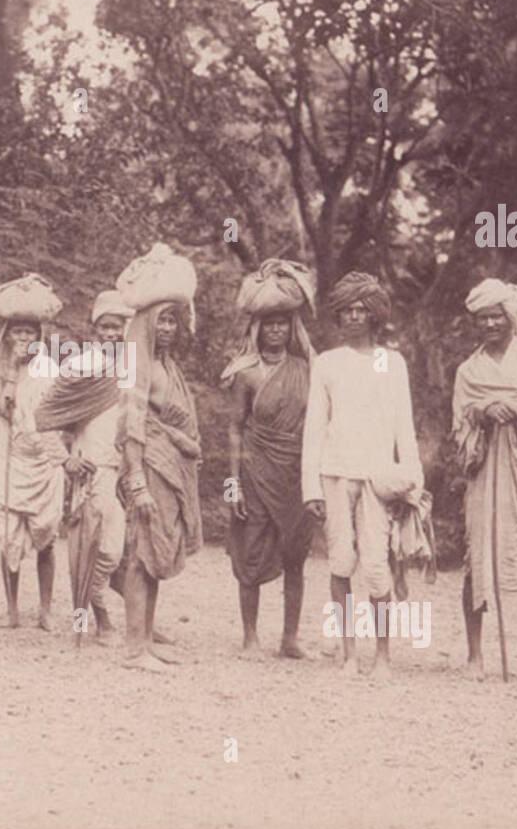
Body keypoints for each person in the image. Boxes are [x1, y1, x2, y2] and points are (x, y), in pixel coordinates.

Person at [301, 271, 421, 677]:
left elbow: (404, 426)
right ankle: (350, 654)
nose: (354, 317)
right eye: (348, 310)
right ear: (339, 315)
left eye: (362, 310)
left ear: (374, 315)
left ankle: (382, 656)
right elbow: (315, 426)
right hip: (335, 473)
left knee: (375, 566)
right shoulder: (328, 362)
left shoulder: (393, 362)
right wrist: (310, 487)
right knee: (340, 561)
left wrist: (412, 480)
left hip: (378, 478)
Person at [451, 279, 517, 681]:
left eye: (497, 316)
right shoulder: (468, 370)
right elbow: (459, 422)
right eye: (483, 318)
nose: (491, 324)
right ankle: (475, 656)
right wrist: (482, 411)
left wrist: (510, 407)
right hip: (485, 469)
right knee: (477, 555)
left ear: (512, 317)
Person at [223, 262, 315, 658]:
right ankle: (250, 637)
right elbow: (234, 429)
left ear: (291, 327)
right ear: (258, 328)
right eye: (269, 324)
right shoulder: (245, 374)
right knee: (252, 553)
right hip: (256, 473)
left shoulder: (307, 369)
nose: (276, 330)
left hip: (296, 473)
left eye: (283, 323)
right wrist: (233, 483)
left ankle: (290, 638)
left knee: (296, 554)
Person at [35, 289, 135, 644]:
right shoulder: (82, 364)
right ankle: (102, 621)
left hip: (130, 471)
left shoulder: (133, 365)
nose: (111, 333)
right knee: (102, 548)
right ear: (95, 329)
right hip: (94, 471)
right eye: (105, 327)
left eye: (118, 326)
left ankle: (141, 621)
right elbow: (44, 417)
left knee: (131, 549)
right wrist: (66, 459)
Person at [118, 299, 203, 671]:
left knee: (156, 553)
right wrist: (136, 479)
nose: (168, 327)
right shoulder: (139, 366)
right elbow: (132, 423)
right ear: (146, 326)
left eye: (173, 320)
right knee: (141, 554)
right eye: (161, 321)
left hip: (170, 462)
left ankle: (148, 638)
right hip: (150, 463)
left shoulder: (167, 365)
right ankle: (134, 649)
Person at [0, 317, 68, 631]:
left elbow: (58, 410)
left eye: (29, 332)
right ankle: (12, 609)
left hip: (43, 459)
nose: (23, 337)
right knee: (9, 537)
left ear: (39, 336)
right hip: (9, 458)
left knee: (47, 537)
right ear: (7, 335)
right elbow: (2, 406)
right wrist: (12, 373)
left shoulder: (49, 368)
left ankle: (45, 610)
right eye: (17, 331)